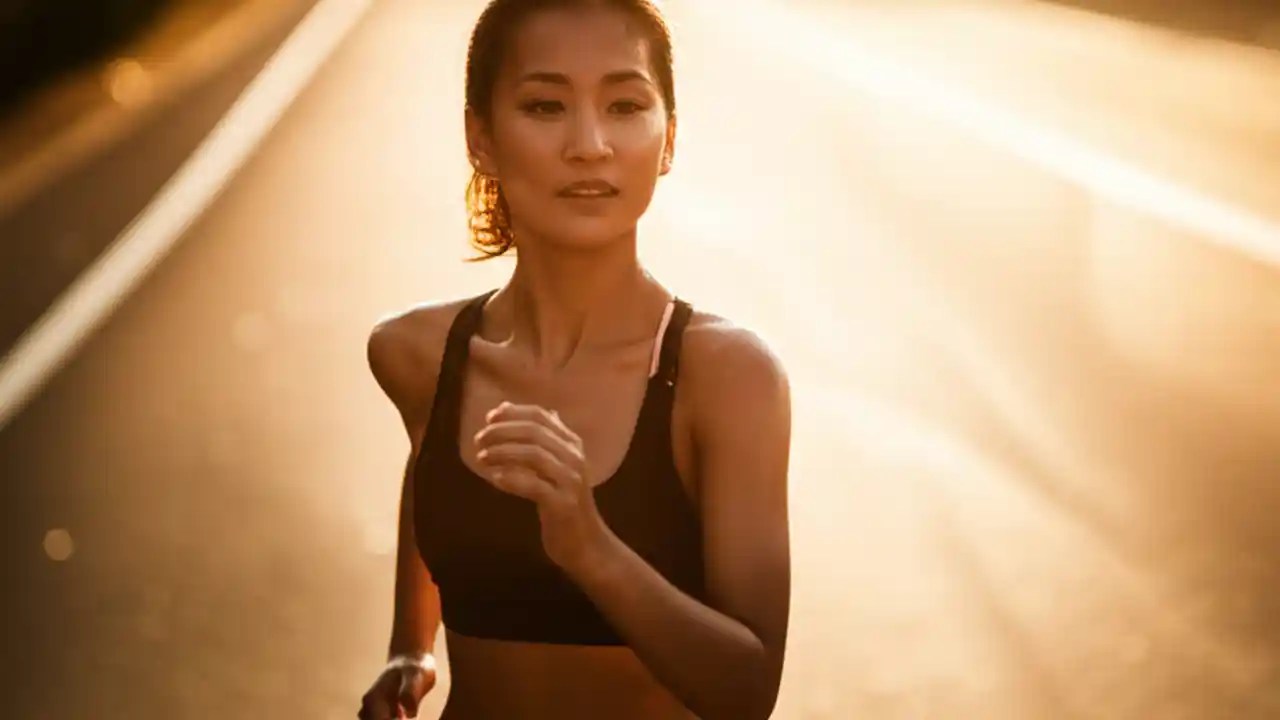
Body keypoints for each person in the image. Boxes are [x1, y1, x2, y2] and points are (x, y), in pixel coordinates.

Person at [358, 1, 791, 718]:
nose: (590, 144)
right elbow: (432, 473)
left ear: (669, 138)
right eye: (545, 106)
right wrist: (410, 645)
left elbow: (747, 692)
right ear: (482, 138)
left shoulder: (726, 380)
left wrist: (591, 546)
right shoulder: (419, 358)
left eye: (625, 105)